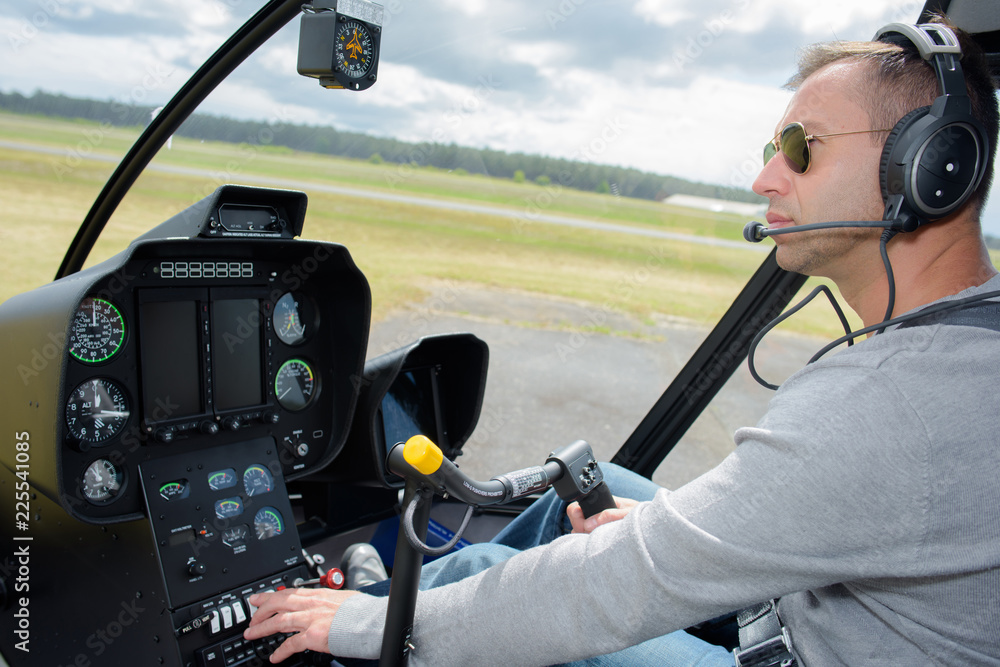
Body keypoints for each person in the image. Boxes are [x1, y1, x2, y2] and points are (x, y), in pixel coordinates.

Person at [245, 18, 1000, 666]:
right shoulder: (966, 343)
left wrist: (380, 627)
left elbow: (613, 587)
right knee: (598, 490)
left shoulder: (894, 402)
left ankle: (353, 618)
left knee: (516, 575)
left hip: (809, 645)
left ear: (930, 166)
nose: (765, 178)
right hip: (830, 617)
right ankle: (371, 601)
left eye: (802, 147)